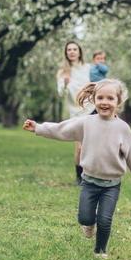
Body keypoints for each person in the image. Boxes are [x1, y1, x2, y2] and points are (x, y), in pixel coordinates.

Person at [23, 79, 131, 258]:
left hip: (111, 185)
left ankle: (100, 251)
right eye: (100, 98)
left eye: (110, 98)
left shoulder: (122, 128)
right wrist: (38, 127)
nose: (104, 102)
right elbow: (62, 129)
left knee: (105, 220)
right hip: (89, 182)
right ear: (94, 99)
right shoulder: (86, 123)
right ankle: (89, 225)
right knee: (85, 218)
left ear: (118, 101)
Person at [56, 41, 92, 184]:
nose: (71, 52)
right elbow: (60, 93)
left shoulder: (87, 68)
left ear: (79, 52)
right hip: (76, 112)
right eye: (69, 50)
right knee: (80, 146)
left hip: (92, 109)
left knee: (91, 144)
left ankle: (92, 175)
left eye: (74, 49)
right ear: (66, 53)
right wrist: (64, 84)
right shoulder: (63, 72)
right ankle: (79, 176)